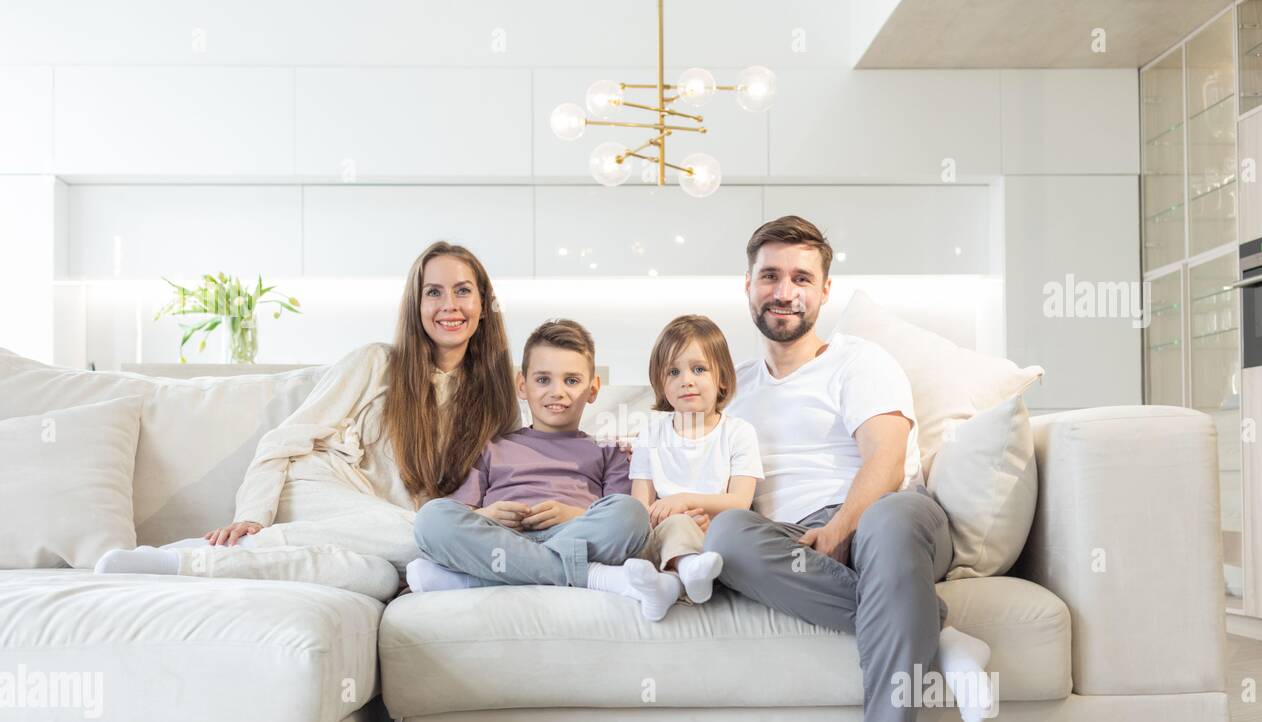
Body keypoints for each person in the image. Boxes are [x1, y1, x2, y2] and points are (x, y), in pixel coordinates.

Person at [704, 216, 993, 722]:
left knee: (885, 524)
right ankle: (938, 634)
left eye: (801, 278)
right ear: (748, 285)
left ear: (825, 290)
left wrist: (840, 530)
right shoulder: (731, 386)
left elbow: (886, 462)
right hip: (789, 535)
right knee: (727, 536)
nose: (785, 291)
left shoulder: (861, 361)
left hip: (891, 517)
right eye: (771, 276)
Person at [93, 241, 520, 601]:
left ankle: (176, 561)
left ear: (483, 305)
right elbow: (282, 441)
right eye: (434, 292)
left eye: (462, 291)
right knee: (434, 535)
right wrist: (254, 515)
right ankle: (247, 545)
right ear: (416, 304)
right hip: (316, 490)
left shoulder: (495, 400)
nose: (449, 305)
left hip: (375, 532)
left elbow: (505, 484)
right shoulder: (376, 363)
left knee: (376, 579)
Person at [406, 319, 684, 621]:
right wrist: (490, 514)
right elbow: (462, 513)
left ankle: (478, 577)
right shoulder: (490, 448)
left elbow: (624, 517)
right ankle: (591, 576)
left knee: (631, 513)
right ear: (522, 385)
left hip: (575, 535)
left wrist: (572, 515)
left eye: (572, 381)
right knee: (431, 519)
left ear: (593, 389)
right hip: (504, 537)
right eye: (543, 380)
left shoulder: (608, 451)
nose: (557, 392)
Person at [628, 314, 764, 605]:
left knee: (722, 533)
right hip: (665, 531)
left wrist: (684, 501)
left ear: (723, 379)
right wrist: (674, 514)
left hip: (716, 536)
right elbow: (640, 505)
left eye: (699, 369)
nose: (686, 381)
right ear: (660, 383)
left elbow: (740, 501)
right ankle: (686, 573)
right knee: (669, 529)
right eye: (673, 372)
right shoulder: (650, 434)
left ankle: (676, 582)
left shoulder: (739, 432)